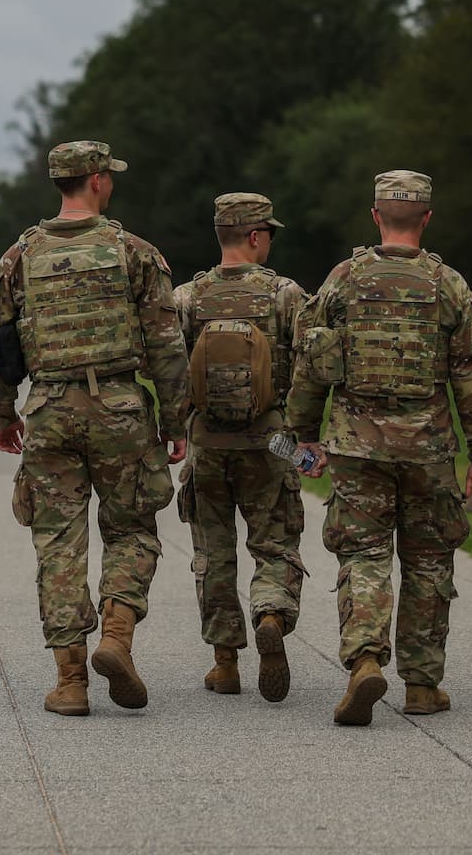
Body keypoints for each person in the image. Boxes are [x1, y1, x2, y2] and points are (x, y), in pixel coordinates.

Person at [0, 140, 190, 717]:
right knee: (133, 528)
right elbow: (167, 345)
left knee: (58, 546)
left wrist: (3, 415)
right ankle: (116, 637)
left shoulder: (19, 256)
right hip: (120, 407)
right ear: (95, 180)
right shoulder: (134, 253)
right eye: (108, 175)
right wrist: (175, 421)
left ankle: (70, 682)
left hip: (48, 411)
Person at [287, 170, 472, 726]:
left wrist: (303, 435)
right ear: (427, 219)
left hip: (357, 448)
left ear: (376, 215)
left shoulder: (344, 279)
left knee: (364, 556)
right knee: (429, 561)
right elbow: (469, 378)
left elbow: (312, 365)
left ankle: (364, 660)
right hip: (428, 449)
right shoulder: (449, 285)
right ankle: (422, 684)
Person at [171, 193, 309, 702]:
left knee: (213, 553)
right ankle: (270, 612)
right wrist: (306, 438)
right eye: (268, 232)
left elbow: (166, 370)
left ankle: (225, 664)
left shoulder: (188, 297)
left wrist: (175, 427)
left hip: (206, 442)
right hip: (271, 442)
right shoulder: (287, 296)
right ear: (255, 237)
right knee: (274, 542)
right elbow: (314, 369)